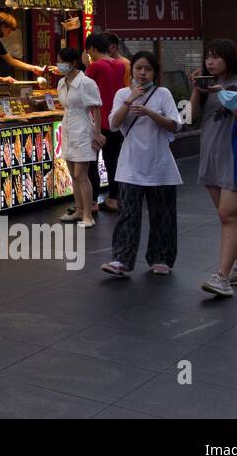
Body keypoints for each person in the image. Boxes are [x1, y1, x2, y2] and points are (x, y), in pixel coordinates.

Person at [100, 52, 182, 276]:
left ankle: (161, 258)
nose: (143, 73)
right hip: (131, 165)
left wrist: (149, 113)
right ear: (131, 71)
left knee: (162, 215)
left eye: (147, 69)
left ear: (155, 72)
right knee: (128, 213)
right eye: (138, 68)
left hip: (160, 165)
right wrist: (130, 101)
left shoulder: (163, 94)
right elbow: (114, 125)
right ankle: (121, 260)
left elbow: (175, 125)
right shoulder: (122, 94)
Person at [191, 39, 237, 298]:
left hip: (235, 157)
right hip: (211, 156)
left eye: (216, 57)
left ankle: (222, 277)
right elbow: (192, 116)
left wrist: (224, 95)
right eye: (208, 57)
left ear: (229, 58)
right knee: (226, 216)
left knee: (227, 215)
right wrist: (197, 90)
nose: (210, 61)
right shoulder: (207, 84)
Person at [55, 47, 102, 228]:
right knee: (73, 174)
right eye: (58, 61)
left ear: (74, 63)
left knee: (81, 174)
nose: (59, 65)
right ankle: (79, 210)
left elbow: (95, 108)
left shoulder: (86, 83)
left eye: (62, 61)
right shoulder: (61, 83)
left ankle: (88, 215)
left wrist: (97, 133)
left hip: (83, 129)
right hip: (67, 127)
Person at [84, 32, 126, 213]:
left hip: (98, 119)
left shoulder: (95, 67)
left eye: (88, 51)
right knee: (112, 160)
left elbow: (84, 90)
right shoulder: (120, 65)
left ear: (92, 49)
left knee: (92, 161)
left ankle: (92, 201)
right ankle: (114, 198)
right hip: (115, 119)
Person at [0, 11, 47, 96]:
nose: (11, 32)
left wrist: (32, 68)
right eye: (10, 29)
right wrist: (2, 79)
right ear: (3, 27)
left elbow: (11, 61)